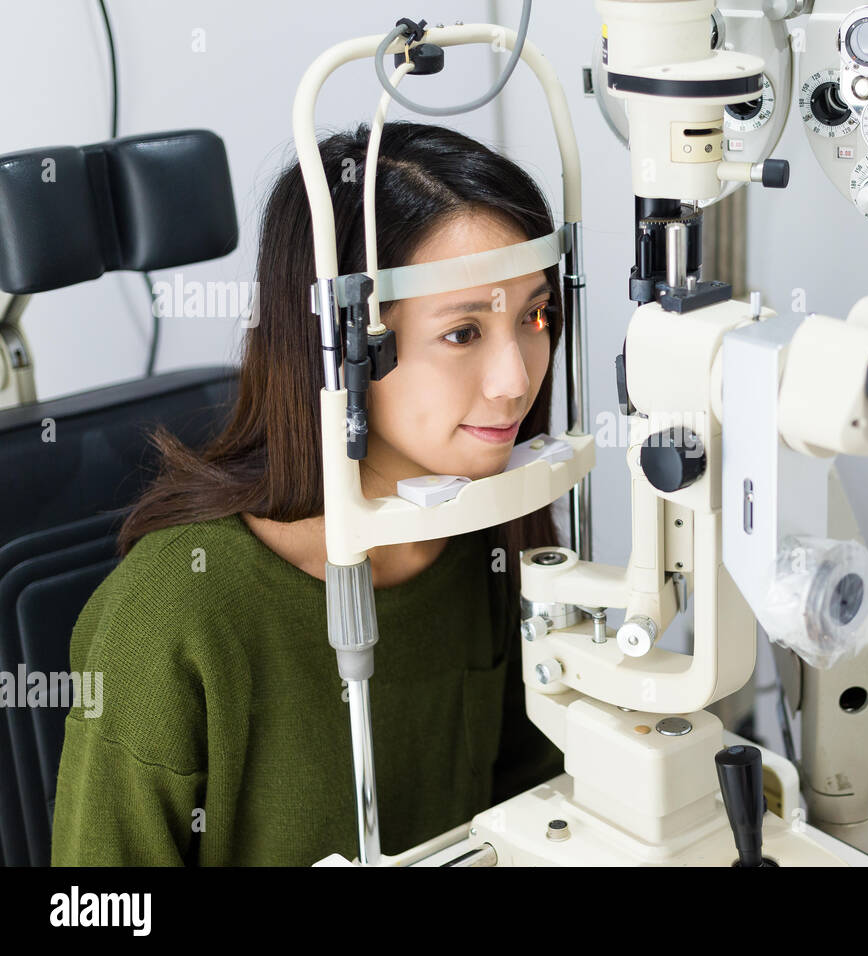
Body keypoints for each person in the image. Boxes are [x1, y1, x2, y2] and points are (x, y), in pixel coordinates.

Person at [50, 122, 567, 865]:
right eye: (462, 333)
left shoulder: (488, 542)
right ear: (340, 344)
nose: (516, 378)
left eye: (534, 316)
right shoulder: (172, 616)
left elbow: (538, 808)